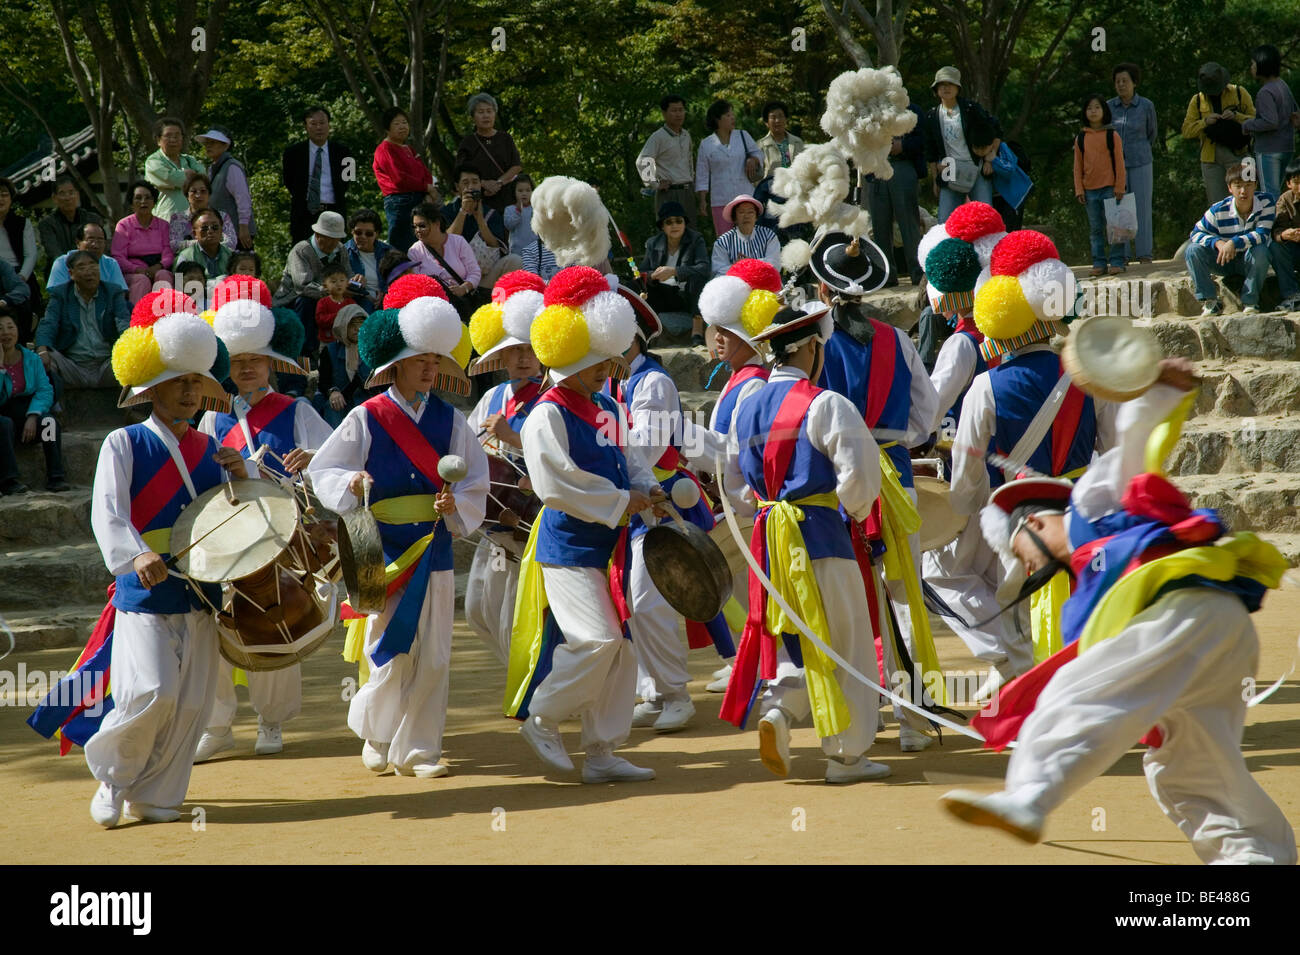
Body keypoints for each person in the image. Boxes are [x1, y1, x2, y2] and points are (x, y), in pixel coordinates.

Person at [941, 361, 1297, 864]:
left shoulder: (1092, 503)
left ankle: (1030, 796)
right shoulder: (1086, 583)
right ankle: (1255, 857)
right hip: (1224, 628)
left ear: (1037, 520)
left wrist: (1158, 398)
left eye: (1020, 553)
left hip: (1177, 610)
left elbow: (1130, 452)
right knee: (1190, 769)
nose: (1025, 566)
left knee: (1072, 693)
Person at [26, 298, 243, 827]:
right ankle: (113, 781)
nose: (190, 393)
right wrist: (139, 553)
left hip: (200, 590)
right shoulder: (123, 442)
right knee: (152, 691)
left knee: (192, 703)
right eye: (178, 383)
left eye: (195, 382)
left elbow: (236, 517)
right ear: (149, 388)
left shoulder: (213, 445)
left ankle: (158, 795)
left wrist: (240, 476)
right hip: (145, 591)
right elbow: (109, 515)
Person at [309, 286, 488, 779]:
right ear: (396, 365)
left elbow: (477, 477)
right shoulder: (365, 416)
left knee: (433, 653)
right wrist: (352, 480)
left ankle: (419, 750)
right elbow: (324, 470)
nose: (430, 369)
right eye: (420, 360)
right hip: (379, 548)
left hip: (434, 543)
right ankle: (376, 733)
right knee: (386, 649)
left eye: (435, 360)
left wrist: (457, 503)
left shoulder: (451, 419)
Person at [505, 265, 666, 783]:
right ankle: (543, 717)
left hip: (609, 544)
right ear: (568, 353)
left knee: (620, 650)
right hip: (569, 547)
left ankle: (601, 752)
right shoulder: (545, 414)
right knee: (597, 641)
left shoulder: (603, 403)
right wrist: (625, 500)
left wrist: (650, 489)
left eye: (610, 358)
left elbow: (630, 456)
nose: (608, 368)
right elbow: (555, 484)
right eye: (598, 360)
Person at [719, 303, 891, 783]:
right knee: (848, 640)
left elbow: (732, 483)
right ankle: (847, 756)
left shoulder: (745, 407)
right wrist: (853, 514)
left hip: (770, 542)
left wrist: (762, 512)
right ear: (813, 345)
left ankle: (780, 710)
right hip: (822, 536)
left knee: (798, 634)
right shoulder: (826, 403)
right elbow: (860, 476)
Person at [952, 230, 1118, 664]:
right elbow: (1115, 448)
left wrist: (967, 507)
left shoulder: (985, 387)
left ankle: (1041, 705)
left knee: (1024, 619)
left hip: (1023, 520)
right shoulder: (1085, 373)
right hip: (1083, 512)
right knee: (1090, 608)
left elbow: (967, 468)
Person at [809, 230, 943, 751]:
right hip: (896, 478)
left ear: (823, 290)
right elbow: (926, 415)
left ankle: (864, 714)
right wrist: (894, 441)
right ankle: (914, 719)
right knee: (906, 596)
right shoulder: (899, 339)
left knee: (849, 599)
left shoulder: (815, 347)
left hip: (835, 486)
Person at [195, 294, 333, 761]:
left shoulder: (298, 412)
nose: (248, 368)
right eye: (239, 361)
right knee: (213, 626)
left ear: (272, 363)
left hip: (279, 538)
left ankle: (270, 720)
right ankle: (216, 725)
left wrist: (311, 462)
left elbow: (335, 468)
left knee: (275, 620)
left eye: (257, 360)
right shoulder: (214, 416)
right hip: (226, 534)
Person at [915, 205, 1028, 698]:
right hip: (1005, 469)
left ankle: (1007, 654)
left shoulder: (961, 343)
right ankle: (1008, 668)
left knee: (938, 573)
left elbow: (930, 406)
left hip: (969, 469)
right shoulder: (1006, 333)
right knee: (990, 574)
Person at [613, 290, 734, 734]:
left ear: (632, 336)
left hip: (661, 507)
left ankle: (677, 693)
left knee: (649, 603)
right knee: (633, 603)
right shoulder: (611, 381)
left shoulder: (653, 383)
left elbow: (643, 445)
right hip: (628, 507)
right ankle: (655, 691)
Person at [680, 261, 776, 692]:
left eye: (729, 330)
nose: (717, 337)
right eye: (716, 328)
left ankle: (758, 662)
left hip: (748, 500)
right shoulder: (739, 377)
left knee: (752, 584)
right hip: (735, 498)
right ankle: (748, 657)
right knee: (739, 583)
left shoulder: (753, 382)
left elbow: (736, 453)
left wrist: (681, 437)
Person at [464, 271, 548, 664]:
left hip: (531, 521)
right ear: (500, 354)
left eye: (530, 348)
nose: (522, 357)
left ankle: (530, 686)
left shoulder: (553, 397)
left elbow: (560, 457)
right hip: (494, 520)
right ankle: (524, 678)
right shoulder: (494, 395)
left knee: (518, 610)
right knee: (479, 608)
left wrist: (512, 438)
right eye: (514, 350)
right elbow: (466, 446)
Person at [1184, 163, 1275, 317]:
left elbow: (1262, 234)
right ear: (1229, 188)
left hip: (1249, 260)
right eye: (1238, 185)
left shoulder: (1266, 202)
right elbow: (1196, 233)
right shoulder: (1218, 209)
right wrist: (1218, 243)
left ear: (1255, 185)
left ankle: (1250, 301)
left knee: (1261, 250)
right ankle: (1210, 301)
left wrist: (1233, 242)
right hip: (1223, 260)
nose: (1243, 191)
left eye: (1248, 185)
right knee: (1193, 250)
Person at [271, 210, 348, 386]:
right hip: (293, 301)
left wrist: (353, 283)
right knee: (307, 302)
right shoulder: (301, 250)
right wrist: (333, 290)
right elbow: (302, 285)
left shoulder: (341, 250)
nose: (333, 242)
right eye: (329, 237)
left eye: (336, 238)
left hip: (328, 296)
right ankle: (305, 353)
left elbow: (348, 274)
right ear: (318, 235)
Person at [36, 250, 130, 389]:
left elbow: (123, 322)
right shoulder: (60, 294)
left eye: (93, 265)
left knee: (135, 356)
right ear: (71, 274)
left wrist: (131, 346)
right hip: (72, 365)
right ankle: (55, 408)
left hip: (108, 364)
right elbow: (49, 323)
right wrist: (42, 349)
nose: (89, 271)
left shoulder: (112, 291)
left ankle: (134, 409)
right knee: (43, 358)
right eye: (82, 267)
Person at [921, 67, 1003, 222]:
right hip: (949, 172)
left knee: (986, 219)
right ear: (936, 89)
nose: (946, 88)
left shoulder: (970, 109)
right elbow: (930, 151)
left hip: (977, 169)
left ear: (958, 88)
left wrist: (989, 158)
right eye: (942, 84)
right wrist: (935, 179)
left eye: (950, 84)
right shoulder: (932, 115)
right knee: (944, 223)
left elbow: (996, 130)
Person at [0, 308, 66, 494]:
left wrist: (33, 415)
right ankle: (9, 481)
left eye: (10, 327)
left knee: (49, 423)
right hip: (4, 417)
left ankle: (56, 477)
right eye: (0, 329)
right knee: (3, 425)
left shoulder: (31, 359)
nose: (6, 333)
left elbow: (45, 390)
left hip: (28, 412)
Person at [867, 102, 926, 286]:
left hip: (903, 165)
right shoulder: (869, 111)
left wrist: (903, 145)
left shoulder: (913, 110)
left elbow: (923, 138)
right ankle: (885, 276)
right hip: (876, 169)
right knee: (880, 225)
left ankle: (918, 273)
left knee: (909, 223)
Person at [1181, 62, 1256, 207]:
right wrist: (1205, 122)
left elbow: (1257, 121)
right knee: (1218, 206)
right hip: (1211, 159)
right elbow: (1186, 130)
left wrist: (1236, 116)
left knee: (1245, 203)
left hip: (1239, 154)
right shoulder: (1197, 100)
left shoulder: (1239, 92)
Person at [443, 165, 524, 293]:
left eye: (475, 182)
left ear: (481, 184)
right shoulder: (447, 211)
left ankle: (499, 301)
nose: (470, 187)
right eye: (465, 182)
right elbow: (445, 241)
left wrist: (480, 219)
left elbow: (495, 246)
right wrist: (463, 211)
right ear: (457, 186)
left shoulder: (491, 213)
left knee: (515, 261)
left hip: (484, 278)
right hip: (455, 278)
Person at [1108, 63, 1158, 264]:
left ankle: (1144, 253)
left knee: (1143, 208)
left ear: (1134, 83)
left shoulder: (1146, 105)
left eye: (1125, 81)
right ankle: (1122, 254)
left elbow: (1151, 133)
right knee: (1119, 207)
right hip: (1115, 165)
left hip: (1141, 161)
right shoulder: (1109, 106)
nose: (1121, 85)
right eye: (1117, 81)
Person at [1073, 94, 1128, 276]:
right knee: (1095, 229)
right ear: (1085, 113)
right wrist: (1079, 189)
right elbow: (1077, 166)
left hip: (1110, 188)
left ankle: (1117, 261)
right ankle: (1098, 263)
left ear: (1104, 111)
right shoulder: (1081, 138)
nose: (1093, 111)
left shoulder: (1112, 135)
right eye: (1089, 108)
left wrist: (1120, 186)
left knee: (1115, 227)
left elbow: (1120, 163)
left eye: (1097, 107)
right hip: (1089, 191)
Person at [283, 106, 354, 244]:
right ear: (306, 126)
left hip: (334, 211)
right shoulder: (292, 153)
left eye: (322, 123)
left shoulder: (345, 152)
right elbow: (288, 181)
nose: (318, 127)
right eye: (313, 124)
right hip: (304, 212)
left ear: (329, 124)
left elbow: (349, 179)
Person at [642, 200, 710, 344]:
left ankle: (697, 330)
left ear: (685, 223)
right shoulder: (653, 243)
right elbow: (641, 272)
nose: (674, 225)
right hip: (663, 295)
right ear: (662, 226)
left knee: (697, 277)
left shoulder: (696, 239)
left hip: (688, 296)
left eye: (679, 221)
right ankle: (644, 335)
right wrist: (652, 275)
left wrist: (674, 271)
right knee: (637, 286)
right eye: (669, 222)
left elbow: (704, 268)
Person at [695, 100, 763, 235]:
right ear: (717, 119)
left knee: (750, 236)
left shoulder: (743, 135)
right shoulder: (706, 144)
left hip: (745, 197)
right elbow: (702, 174)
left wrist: (753, 160)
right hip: (721, 199)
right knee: (725, 239)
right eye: (727, 115)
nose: (733, 118)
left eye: (733, 114)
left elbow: (758, 153)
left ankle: (749, 258)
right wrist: (702, 201)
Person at [373, 107, 433, 256]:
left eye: (404, 123)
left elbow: (425, 172)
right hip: (400, 202)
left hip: (419, 199)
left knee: (421, 247)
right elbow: (399, 179)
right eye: (397, 124)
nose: (402, 127)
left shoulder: (409, 149)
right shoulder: (385, 148)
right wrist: (426, 187)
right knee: (402, 248)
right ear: (387, 128)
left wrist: (429, 188)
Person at [1242, 45, 1299, 200]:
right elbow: (1295, 112)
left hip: (1269, 149)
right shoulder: (1282, 85)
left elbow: (1270, 122)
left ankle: (1270, 224)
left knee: (1269, 195)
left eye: (1253, 64)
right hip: (1286, 147)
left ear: (1262, 64)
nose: (1252, 67)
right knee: (1278, 193)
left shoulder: (1265, 92)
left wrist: (1248, 125)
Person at [454, 92, 523, 216]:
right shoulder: (467, 142)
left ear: (494, 114)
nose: (486, 115)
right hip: (479, 199)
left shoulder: (505, 138)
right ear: (473, 117)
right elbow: (460, 170)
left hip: (507, 198)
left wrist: (498, 183)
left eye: (489, 111)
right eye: (480, 112)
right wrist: (484, 183)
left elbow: (516, 166)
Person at [407, 202, 480, 315]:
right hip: (434, 309)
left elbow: (474, 272)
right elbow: (416, 285)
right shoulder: (414, 252)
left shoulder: (458, 242)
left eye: (422, 226)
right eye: (414, 226)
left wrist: (464, 288)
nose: (417, 230)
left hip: (465, 304)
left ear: (436, 223)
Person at [638, 94, 696, 227]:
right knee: (669, 234)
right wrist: (654, 184)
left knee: (690, 232)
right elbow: (643, 160)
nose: (678, 114)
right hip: (669, 192)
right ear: (664, 113)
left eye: (681, 110)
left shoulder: (686, 135)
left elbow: (689, 161)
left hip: (687, 191)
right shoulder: (658, 137)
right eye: (674, 110)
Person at [112, 180, 174, 304]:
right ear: (131, 203)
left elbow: (169, 252)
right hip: (133, 273)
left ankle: (166, 318)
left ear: (154, 202)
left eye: (147, 198)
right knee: (142, 280)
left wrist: (159, 266)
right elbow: (118, 256)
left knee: (163, 275)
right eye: (138, 198)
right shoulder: (124, 225)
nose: (143, 202)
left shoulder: (163, 225)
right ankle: (137, 320)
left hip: (158, 267)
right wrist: (137, 269)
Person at [196, 126, 256, 250]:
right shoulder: (213, 168)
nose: (208, 146)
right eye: (207, 143)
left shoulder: (232, 167)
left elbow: (243, 199)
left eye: (213, 143)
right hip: (222, 233)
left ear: (225, 145)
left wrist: (243, 227)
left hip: (237, 232)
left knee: (240, 267)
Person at [38, 175, 107, 269]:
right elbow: (54, 253)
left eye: (71, 192)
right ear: (54, 198)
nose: (67, 198)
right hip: (61, 269)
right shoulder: (47, 224)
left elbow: (99, 248)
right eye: (62, 193)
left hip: (91, 268)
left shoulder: (93, 219)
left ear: (77, 195)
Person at [144, 117, 206, 221]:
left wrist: (184, 176)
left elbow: (203, 178)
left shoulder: (189, 160)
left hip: (194, 219)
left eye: (177, 135)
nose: (173, 139)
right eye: (168, 136)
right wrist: (188, 176)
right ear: (158, 140)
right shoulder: (153, 162)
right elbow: (172, 178)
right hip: (166, 220)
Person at [0, 176, 39, 334]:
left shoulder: (22, 223)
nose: (0, 199)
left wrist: (22, 275)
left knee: (24, 301)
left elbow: (31, 254)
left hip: (19, 273)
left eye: (4, 195)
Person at [711, 195, 780, 277]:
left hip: (765, 282)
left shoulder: (768, 235)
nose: (746, 216)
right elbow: (718, 270)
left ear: (756, 217)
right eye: (741, 212)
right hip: (736, 284)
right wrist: (737, 267)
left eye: (750, 212)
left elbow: (775, 264)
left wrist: (749, 263)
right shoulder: (723, 242)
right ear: (735, 217)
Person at [47, 222, 126, 293]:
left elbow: (119, 293)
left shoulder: (111, 263)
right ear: (78, 243)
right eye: (90, 240)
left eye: (100, 240)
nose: (95, 245)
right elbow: (57, 294)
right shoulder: (62, 263)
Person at [504, 174, 558, 280]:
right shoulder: (510, 209)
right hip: (517, 253)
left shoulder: (537, 209)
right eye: (520, 191)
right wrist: (518, 212)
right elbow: (509, 225)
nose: (524, 194)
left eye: (528, 190)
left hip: (536, 254)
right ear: (514, 192)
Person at [169, 172, 237, 253]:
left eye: (203, 191)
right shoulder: (177, 218)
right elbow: (173, 245)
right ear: (187, 195)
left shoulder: (222, 217)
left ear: (209, 194)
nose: (198, 195)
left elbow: (231, 243)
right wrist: (203, 243)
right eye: (193, 191)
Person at [344, 209, 392, 311]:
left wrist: (385, 292)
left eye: (369, 234)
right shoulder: (343, 252)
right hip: (357, 301)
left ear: (377, 234)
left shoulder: (388, 252)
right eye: (358, 232)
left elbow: (399, 278)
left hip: (386, 300)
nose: (363, 237)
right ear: (352, 231)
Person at [1269, 159, 1300, 311]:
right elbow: (1275, 231)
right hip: (1296, 251)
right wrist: (1285, 235)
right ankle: (1292, 296)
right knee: (1275, 246)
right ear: (1289, 184)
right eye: (1296, 182)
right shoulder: (1285, 200)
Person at [174, 210, 234, 287]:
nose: (210, 231)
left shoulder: (231, 256)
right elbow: (178, 287)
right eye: (205, 228)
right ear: (194, 233)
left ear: (221, 230)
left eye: (215, 227)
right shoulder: (184, 258)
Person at [756, 100, 805, 181]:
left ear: (786, 119)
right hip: (770, 190)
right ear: (766, 122)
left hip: (795, 188)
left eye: (780, 116)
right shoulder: (760, 145)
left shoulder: (798, 142)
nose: (777, 120)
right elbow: (757, 176)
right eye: (773, 117)